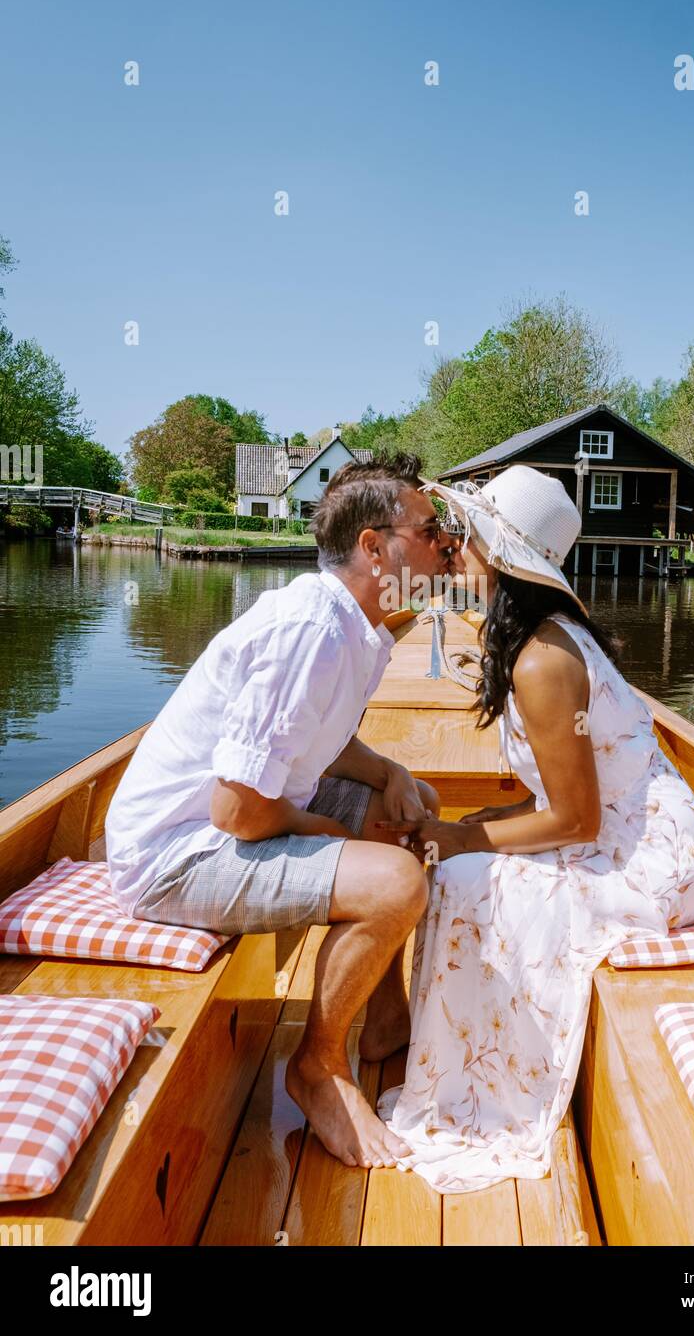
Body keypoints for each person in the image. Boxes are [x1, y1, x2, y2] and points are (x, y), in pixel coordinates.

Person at [374, 464, 694, 1193]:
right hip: (623, 830)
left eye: (463, 534)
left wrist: (467, 840)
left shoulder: (541, 660)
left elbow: (577, 817)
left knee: (467, 876)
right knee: (464, 849)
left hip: (654, 858)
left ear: (500, 555)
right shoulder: (540, 638)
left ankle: (475, 1088)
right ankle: (426, 1043)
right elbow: (557, 800)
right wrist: (480, 822)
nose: (450, 545)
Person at [105, 453, 458, 1171]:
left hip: (231, 815)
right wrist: (322, 833)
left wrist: (390, 771)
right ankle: (319, 1068)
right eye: (429, 529)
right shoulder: (314, 631)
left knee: (405, 811)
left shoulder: (356, 625)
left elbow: (319, 741)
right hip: (175, 855)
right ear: (373, 546)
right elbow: (236, 810)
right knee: (395, 881)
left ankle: (384, 1021)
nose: (446, 545)